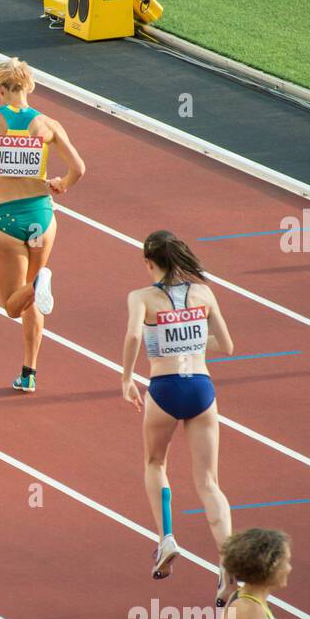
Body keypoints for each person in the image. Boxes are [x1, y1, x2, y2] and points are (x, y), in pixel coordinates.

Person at [120, 230, 236, 597]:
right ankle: (230, 563)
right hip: (202, 389)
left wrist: (126, 378)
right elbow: (228, 345)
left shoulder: (141, 297)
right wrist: (194, 344)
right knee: (208, 482)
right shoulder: (204, 294)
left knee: (155, 464)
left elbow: (134, 337)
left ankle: (166, 537)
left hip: (165, 389)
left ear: (148, 263)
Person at [0, 58, 85, 392]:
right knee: (34, 294)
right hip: (42, 216)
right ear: (29, 87)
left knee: (12, 305)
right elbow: (80, 168)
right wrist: (62, 183)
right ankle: (29, 372)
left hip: (5, 218)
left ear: (1, 89)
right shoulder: (47, 125)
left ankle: (37, 285)